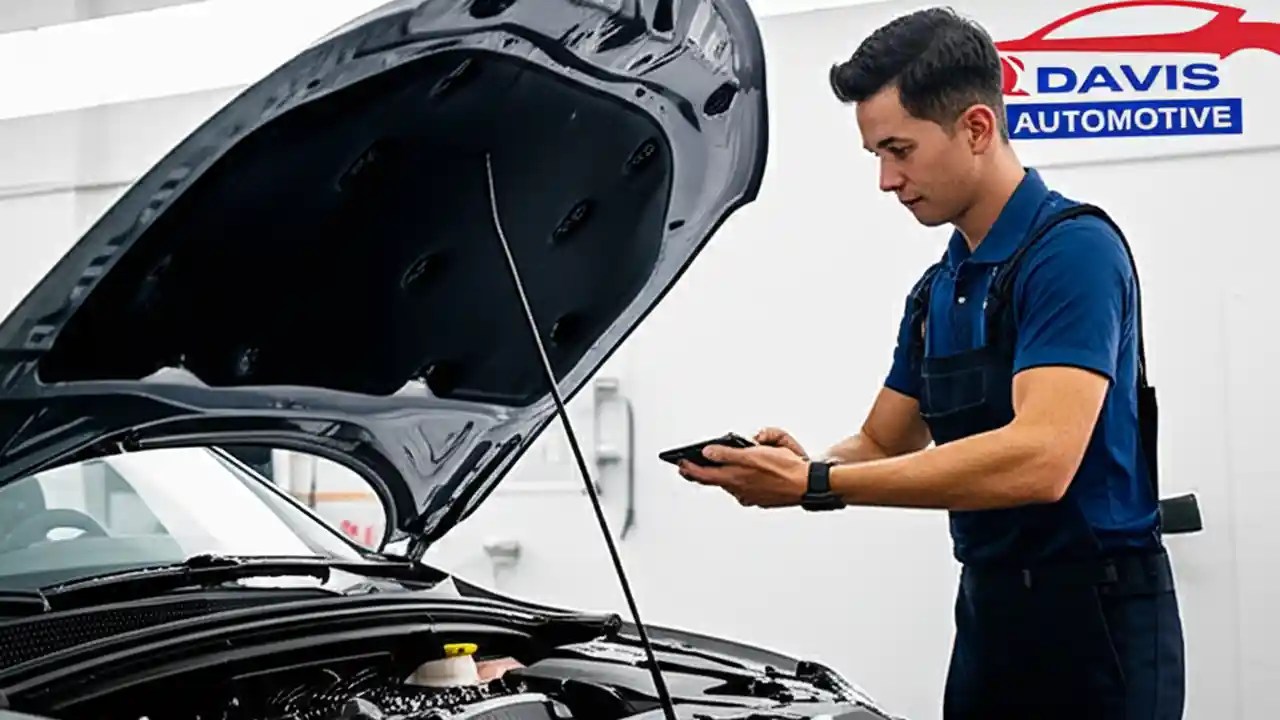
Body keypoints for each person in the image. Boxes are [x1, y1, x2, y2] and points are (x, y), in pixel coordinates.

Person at [675, 7, 1185, 719]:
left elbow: (1041, 459)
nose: (887, 179)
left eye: (900, 149)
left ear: (976, 128)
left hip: (1095, 622)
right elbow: (884, 441)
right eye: (876, 155)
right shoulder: (939, 288)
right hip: (989, 610)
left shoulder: (1073, 253)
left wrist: (818, 484)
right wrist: (802, 463)